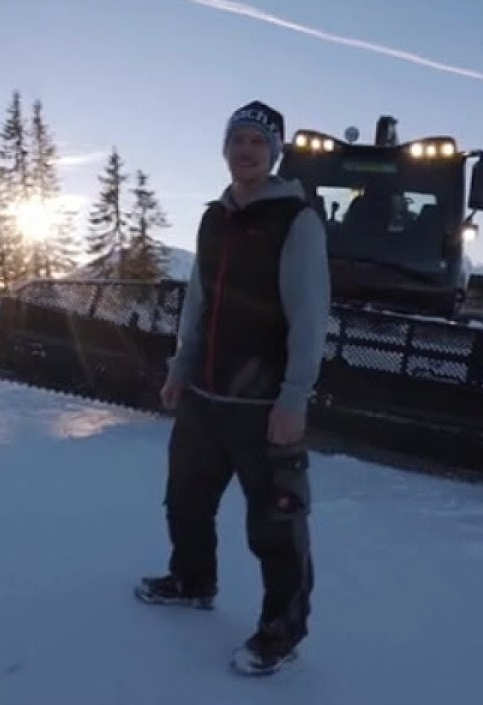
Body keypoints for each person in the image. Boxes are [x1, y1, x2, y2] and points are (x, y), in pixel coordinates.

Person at [133, 100, 331, 675]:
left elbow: (310, 314)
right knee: (186, 501)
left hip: (263, 405)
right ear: (224, 149)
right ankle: (193, 581)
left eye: (256, 143)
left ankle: (281, 629)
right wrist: (179, 367)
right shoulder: (213, 219)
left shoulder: (297, 220)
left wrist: (294, 397)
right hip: (205, 396)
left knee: (276, 523)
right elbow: (198, 301)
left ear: (273, 153)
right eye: (236, 141)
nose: (245, 152)